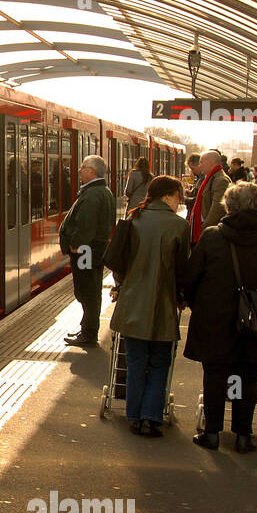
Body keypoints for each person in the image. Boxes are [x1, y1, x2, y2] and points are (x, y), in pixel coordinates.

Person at [181, 182, 257, 454]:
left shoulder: (212, 237)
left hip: (215, 320)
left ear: (229, 206)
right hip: (254, 322)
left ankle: (213, 433)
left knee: (215, 375)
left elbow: (191, 278)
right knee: (246, 376)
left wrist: (201, 305)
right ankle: (242, 435)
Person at [109, 176, 190, 436]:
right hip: (163, 305)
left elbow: (118, 263)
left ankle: (133, 416)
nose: (180, 203)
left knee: (134, 360)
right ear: (167, 196)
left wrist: (121, 286)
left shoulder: (133, 219)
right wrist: (182, 297)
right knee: (159, 361)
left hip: (132, 303)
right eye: (179, 197)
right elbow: (182, 270)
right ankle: (152, 417)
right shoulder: (179, 226)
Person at [58, 155, 115, 347]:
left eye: (83, 167)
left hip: (85, 250)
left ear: (92, 171)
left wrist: (76, 245)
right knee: (89, 288)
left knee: (86, 290)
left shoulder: (92, 194)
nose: (80, 171)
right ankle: (86, 327)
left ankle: (89, 332)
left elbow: (86, 225)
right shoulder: (103, 191)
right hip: (91, 249)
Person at [188, 150, 232, 245]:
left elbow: (217, 208)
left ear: (210, 163)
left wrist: (205, 228)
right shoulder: (210, 177)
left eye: (201, 162)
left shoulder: (220, 180)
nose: (200, 165)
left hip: (208, 232)